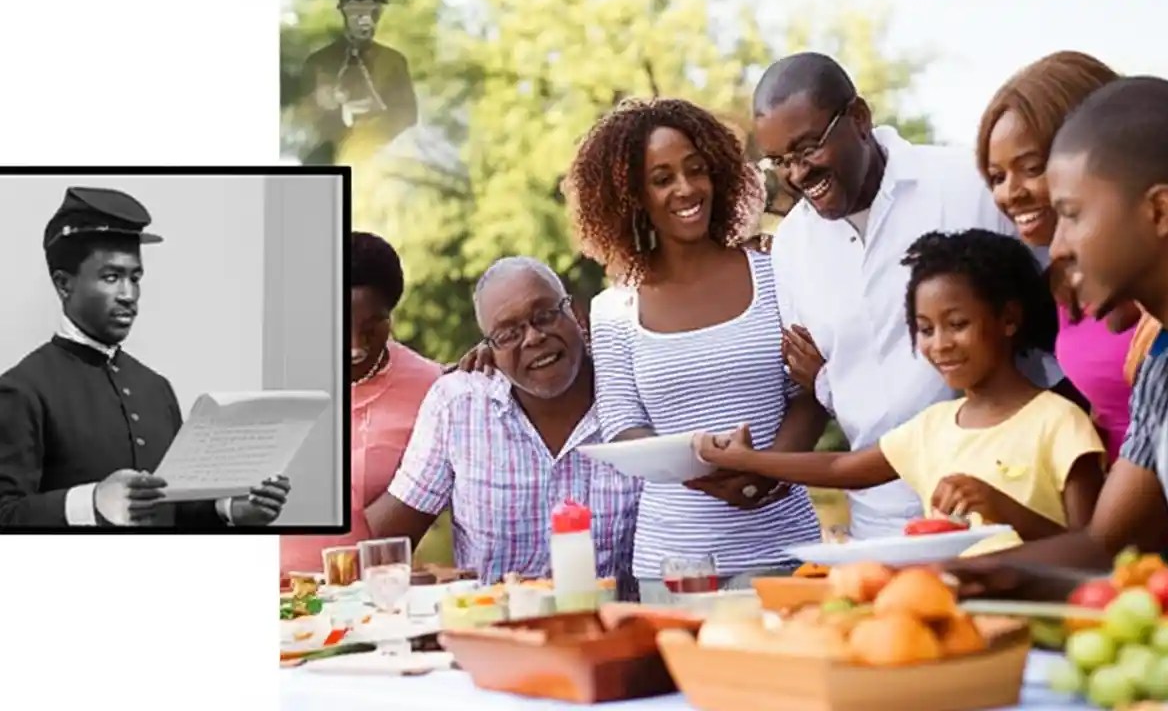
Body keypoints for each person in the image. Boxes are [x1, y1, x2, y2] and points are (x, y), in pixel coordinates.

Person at [958, 76, 1168, 576]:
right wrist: (937, 581)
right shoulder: (1164, 369)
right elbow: (1103, 545)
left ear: (1158, 211)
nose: (1057, 248)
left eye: (1071, 214)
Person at [751, 52, 1070, 540]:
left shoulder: (969, 184)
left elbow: (1057, 323)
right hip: (875, 527)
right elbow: (835, 381)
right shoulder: (792, 246)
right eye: (779, 161)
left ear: (859, 118)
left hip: (1000, 509)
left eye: (808, 148)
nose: (796, 174)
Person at [697, 229, 1106, 553]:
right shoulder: (933, 426)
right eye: (925, 329)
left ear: (1009, 319)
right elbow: (844, 470)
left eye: (957, 324)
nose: (939, 344)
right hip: (953, 627)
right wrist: (747, 458)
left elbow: (1092, 549)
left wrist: (1003, 510)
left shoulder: (1059, 421)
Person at [572, 98, 826, 603]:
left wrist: (767, 468)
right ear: (634, 195)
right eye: (661, 178)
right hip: (672, 566)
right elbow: (623, 423)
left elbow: (810, 393)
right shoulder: (614, 309)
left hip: (783, 552)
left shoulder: (777, 272)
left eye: (695, 170)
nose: (686, 189)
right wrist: (703, 469)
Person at [978, 50, 1168, 465]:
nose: (1011, 192)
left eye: (1032, 168)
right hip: (1131, 502)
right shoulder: (1058, 282)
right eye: (997, 177)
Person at [0, 186, 291, 527]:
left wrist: (229, 508)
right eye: (111, 277)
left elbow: (176, 507)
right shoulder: (22, 389)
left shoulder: (155, 388)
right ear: (64, 284)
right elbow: (6, 514)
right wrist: (91, 502)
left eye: (135, 277)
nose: (129, 295)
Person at [366, 257, 642, 586]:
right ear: (488, 348)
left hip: (619, 628)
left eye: (545, 315)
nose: (533, 337)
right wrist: (430, 582)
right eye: (508, 333)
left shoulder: (633, 390)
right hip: (493, 625)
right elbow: (379, 544)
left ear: (577, 314)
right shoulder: (459, 407)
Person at [280, 232, 442, 573]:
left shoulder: (431, 387)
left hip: (370, 602)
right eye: (342, 325)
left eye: (373, 326)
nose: (356, 346)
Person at [297, 0, 417, 165]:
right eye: (357, 10)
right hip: (326, 159)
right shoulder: (318, 62)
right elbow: (301, 118)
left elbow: (407, 115)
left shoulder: (394, 62)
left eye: (373, 10)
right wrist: (320, 103)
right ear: (344, 11)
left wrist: (370, 134)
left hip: (377, 162)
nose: (365, 18)